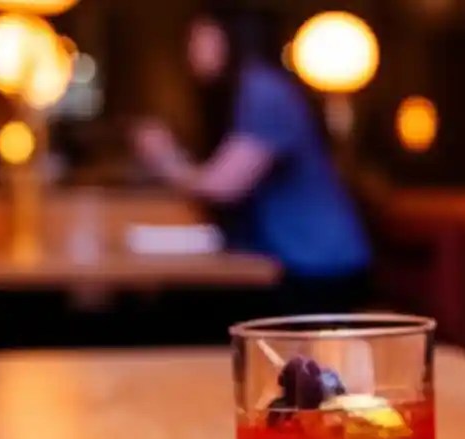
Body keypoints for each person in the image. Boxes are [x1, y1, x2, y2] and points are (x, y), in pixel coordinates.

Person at [133, 8, 372, 312]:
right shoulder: (244, 90)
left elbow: (223, 186)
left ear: (227, 36)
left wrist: (163, 157)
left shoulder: (264, 90)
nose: (190, 50)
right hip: (292, 264)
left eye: (198, 36)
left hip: (318, 267)